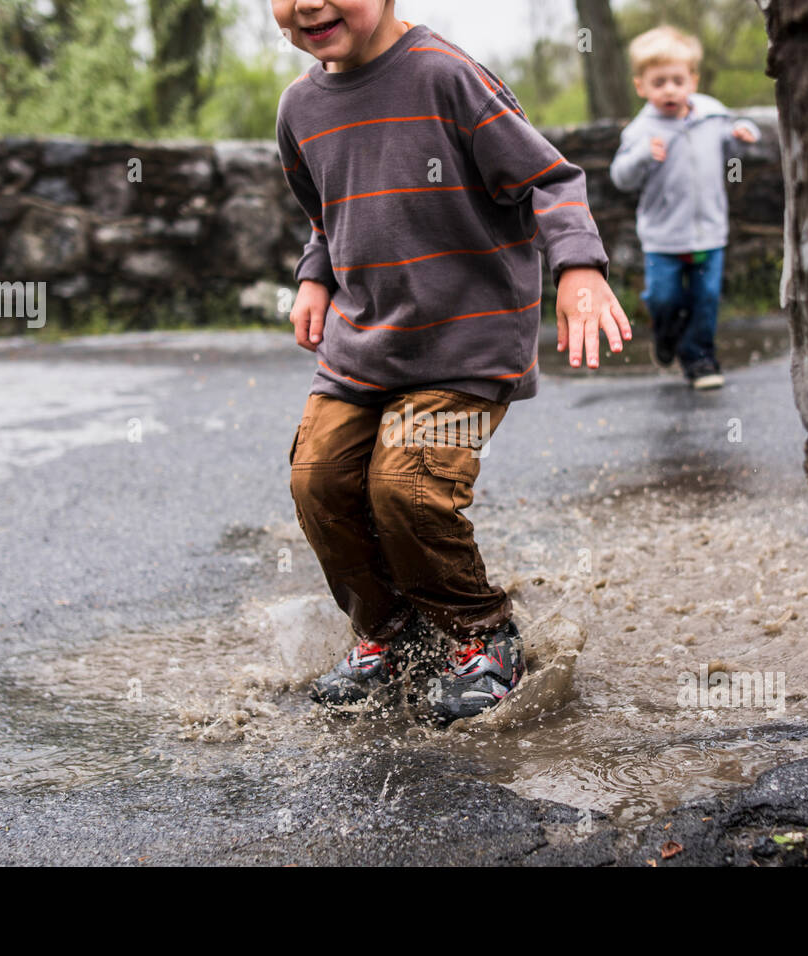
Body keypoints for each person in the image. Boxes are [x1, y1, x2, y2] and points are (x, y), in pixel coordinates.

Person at [272, 0, 631, 722]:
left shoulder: (446, 76)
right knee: (318, 482)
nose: (309, 2)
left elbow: (549, 179)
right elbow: (325, 212)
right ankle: (389, 634)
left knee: (404, 486)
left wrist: (581, 268)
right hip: (360, 343)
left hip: (465, 349)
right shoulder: (300, 107)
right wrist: (315, 274)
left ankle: (483, 636)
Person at [610, 25, 761, 390]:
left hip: (709, 230)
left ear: (692, 80)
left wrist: (743, 133)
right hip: (664, 236)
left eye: (677, 80)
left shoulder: (713, 115)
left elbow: (732, 151)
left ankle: (700, 358)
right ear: (641, 87)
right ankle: (665, 334)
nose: (669, 90)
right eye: (658, 82)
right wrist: (644, 155)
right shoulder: (639, 131)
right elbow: (620, 177)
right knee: (664, 298)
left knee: (706, 299)